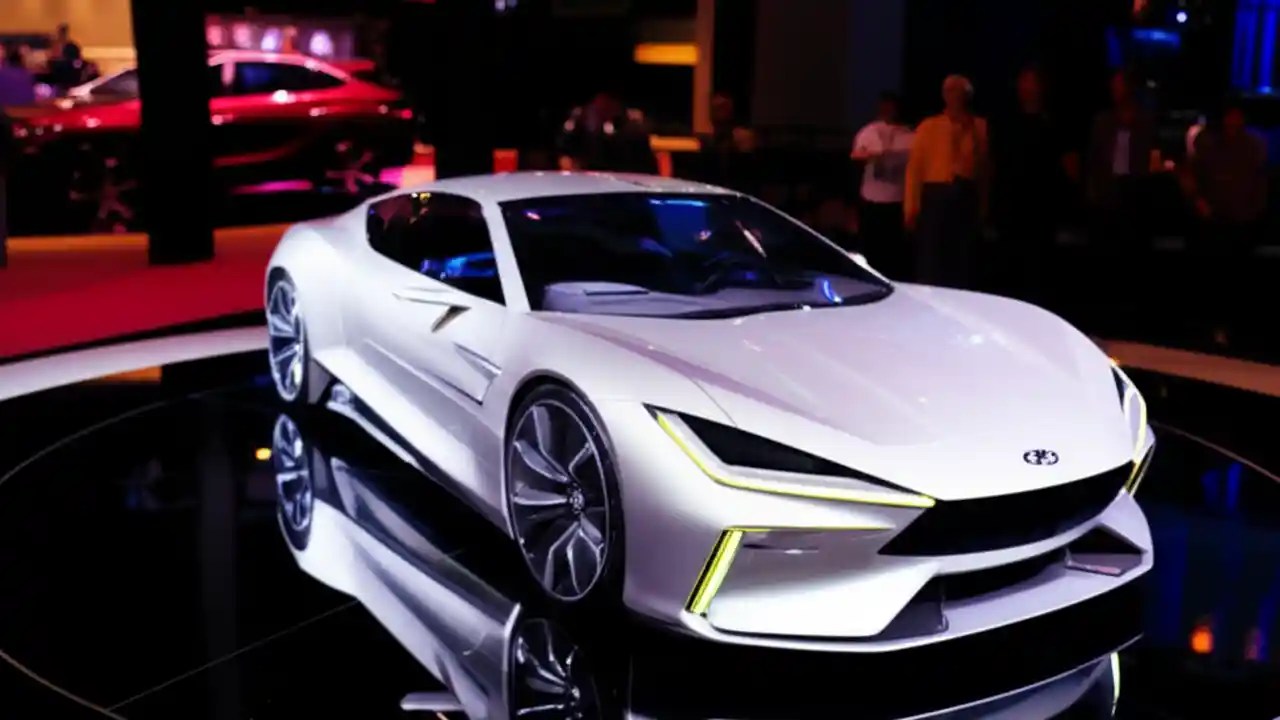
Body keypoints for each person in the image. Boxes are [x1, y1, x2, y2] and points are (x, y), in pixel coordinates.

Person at [1187, 100, 1267, 346]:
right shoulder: (1209, 145)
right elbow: (1193, 177)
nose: (1232, 121)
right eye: (1228, 116)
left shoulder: (1254, 146)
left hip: (1243, 223)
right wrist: (1199, 200)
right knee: (1214, 272)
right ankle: (1212, 327)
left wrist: (1253, 211)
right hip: (1214, 222)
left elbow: (1261, 184)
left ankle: (1238, 329)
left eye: (1237, 116)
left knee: (1238, 275)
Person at [992, 67, 1072, 304]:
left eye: (1032, 83)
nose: (1027, 88)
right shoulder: (1006, 122)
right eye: (1023, 82)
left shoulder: (1054, 121)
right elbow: (994, 163)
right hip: (1010, 207)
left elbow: (1068, 163)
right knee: (1009, 270)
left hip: (1042, 208)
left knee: (1038, 271)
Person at [904, 74, 989, 288]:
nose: (954, 96)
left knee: (961, 260)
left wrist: (984, 206)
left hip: (965, 194)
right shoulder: (929, 126)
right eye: (949, 91)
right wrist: (911, 207)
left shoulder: (979, 127)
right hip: (936, 194)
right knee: (932, 258)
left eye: (959, 91)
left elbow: (985, 169)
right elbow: (915, 169)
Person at [1085, 70, 1159, 275]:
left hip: (1136, 196)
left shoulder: (1145, 122)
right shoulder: (1102, 121)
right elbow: (1094, 159)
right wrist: (1092, 191)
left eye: (1119, 86)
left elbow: (1152, 158)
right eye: (1113, 86)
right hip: (1106, 195)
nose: (1114, 90)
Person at [851, 91, 913, 277]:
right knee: (869, 249)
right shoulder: (869, 131)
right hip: (871, 199)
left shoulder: (910, 135)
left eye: (892, 106)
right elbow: (856, 158)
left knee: (892, 253)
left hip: (896, 200)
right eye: (884, 105)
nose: (888, 110)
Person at [556, 90, 657, 174]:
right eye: (601, 101)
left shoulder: (631, 123)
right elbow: (565, 147)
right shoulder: (580, 117)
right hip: (586, 173)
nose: (604, 105)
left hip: (623, 173)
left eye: (609, 102)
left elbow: (641, 158)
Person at [697, 91, 758, 193]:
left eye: (724, 108)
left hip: (736, 191)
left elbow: (749, 173)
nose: (721, 113)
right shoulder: (706, 141)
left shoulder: (741, 138)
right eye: (717, 109)